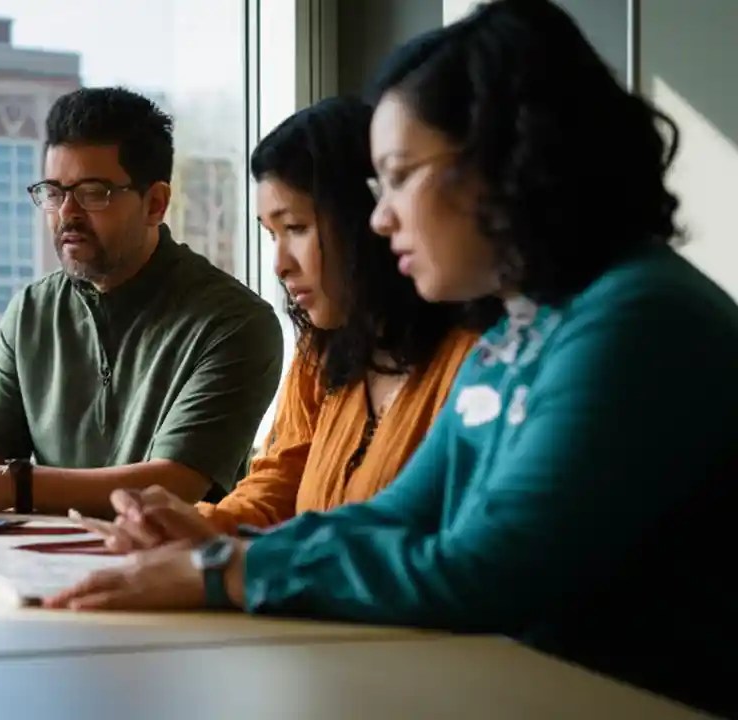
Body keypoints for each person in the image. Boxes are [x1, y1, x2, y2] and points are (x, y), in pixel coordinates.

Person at [45, 2, 738, 715]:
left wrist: (225, 568)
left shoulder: (638, 319)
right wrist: (220, 548)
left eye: (401, 176)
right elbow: (399, 515)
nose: (380, 219)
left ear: (508, 159)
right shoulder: (526, 329)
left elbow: (485, 572)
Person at [84, 96, 484, 553]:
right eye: (271, 235)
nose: (279, 265)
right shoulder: (324, 353)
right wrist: (197, 527)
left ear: (367, 219)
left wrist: (236, 565)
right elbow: (278, 482)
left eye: (295, 227)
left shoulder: (474, 360)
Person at [0, 87, 283, 516]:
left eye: (93, 192)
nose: (66, 212)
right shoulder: (31, 313)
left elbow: (175, 484)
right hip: (38, 565)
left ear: (156, 203)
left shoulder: (235, 324)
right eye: (53, 191)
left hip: (168, 572)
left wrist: (13, 486)